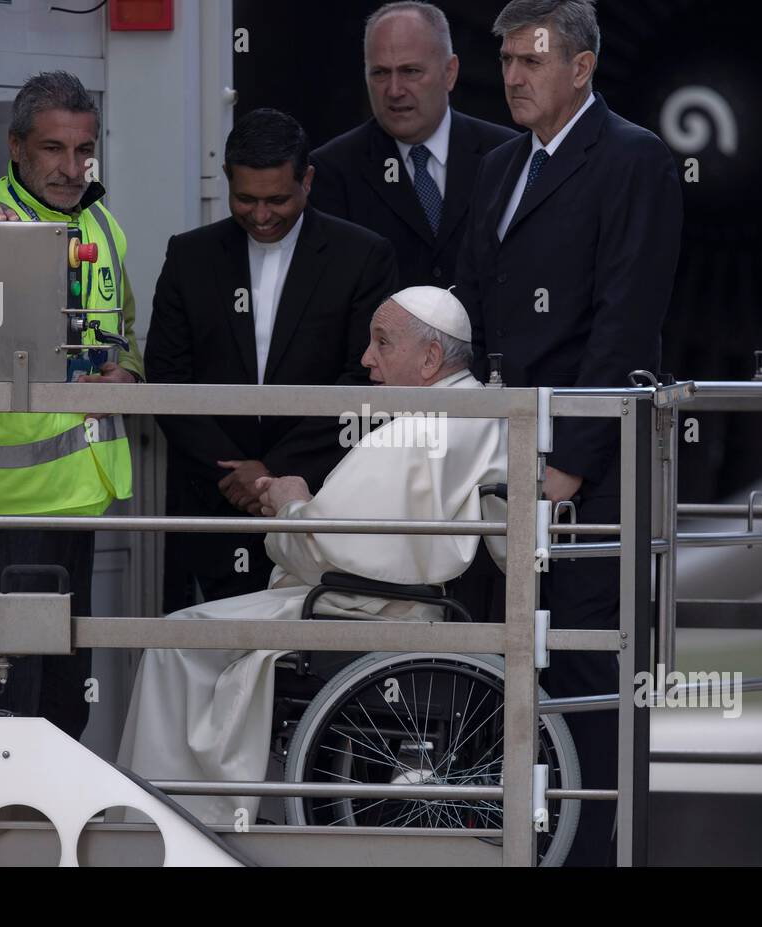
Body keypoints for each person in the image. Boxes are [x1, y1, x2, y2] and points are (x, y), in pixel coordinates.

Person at [118, 288, 506, 824]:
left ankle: (174, 821)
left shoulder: (418, 429)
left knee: (172, 639)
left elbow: (325, 554)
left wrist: (291, 503)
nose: (367, 359)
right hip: (386, 602)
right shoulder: (476, 409)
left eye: (381, 343)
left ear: (430, 359)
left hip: (360, 607)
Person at [454, 0, 684, 865]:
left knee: (585, 673)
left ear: (580, 67)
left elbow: (625, 325)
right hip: (500, 457)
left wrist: (570, 466)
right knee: (502, 664)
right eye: (507, 61)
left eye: (532, 63)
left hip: (584, 474)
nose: (512, 77)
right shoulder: (501, 164)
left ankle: (590, 855)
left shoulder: (634, 159)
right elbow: (475, 306)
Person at [0, 70, 145, 740]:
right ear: (16, 147)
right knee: (10, 695)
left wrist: (129, 374)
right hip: (5, 506)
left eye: (83, 150)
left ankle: (53, 825)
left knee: (61, 691)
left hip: (77, 498)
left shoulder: (100, 221)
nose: (72, 166)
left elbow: (125, 326)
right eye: (54, 149)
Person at [144, 108, 398, 614]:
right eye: (246, 199)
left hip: (323, 502)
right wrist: (233, 475)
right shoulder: (189, 256)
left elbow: (366, 381)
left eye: (277, 199)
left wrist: (273, 471)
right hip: (214, 507)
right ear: (227, 183)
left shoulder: (363, 256)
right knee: (219, 660)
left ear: (307, 180)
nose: (261, 215)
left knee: (310, 666)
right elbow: (168, 377)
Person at [309, 2, 517, 289]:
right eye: (380, 73)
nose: (394, 90)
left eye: (410, 71)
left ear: (450, 72)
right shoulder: (332, 171)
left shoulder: (508, 156)